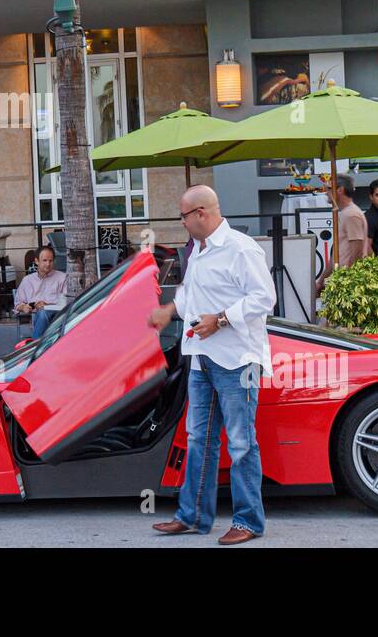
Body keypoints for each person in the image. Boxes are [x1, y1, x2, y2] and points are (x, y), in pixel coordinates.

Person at [148, 185, 275, 544]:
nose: (183, 222)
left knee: (241, 442)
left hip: (240, 360)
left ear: (200, 213)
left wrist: (219, 320)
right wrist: (169, 311)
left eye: (183, 216)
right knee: (199, 438)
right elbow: (191, 295)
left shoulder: (240, 248)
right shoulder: (199, 250)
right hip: (202, 359)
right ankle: (193, 517)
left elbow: (265, 297)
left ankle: (249, 522)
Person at [14, 246, 67, 338]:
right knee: (41, 313)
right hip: (35, 317)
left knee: (43, 312)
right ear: (37, 261)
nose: (48, 264)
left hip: (57, 317)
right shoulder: (27, 280)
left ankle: (36, 346)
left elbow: (66, 303)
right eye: (45, 260)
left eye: (50, 261)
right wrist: (24, 307)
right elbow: (17, 304)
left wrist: (47, 305)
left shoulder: (62, 278)